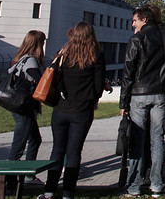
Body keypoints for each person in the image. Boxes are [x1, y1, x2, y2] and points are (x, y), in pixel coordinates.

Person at [120, 4, 165, 197]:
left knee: (137, 141)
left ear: (144, 19)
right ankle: (157, 184)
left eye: (136, 20)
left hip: (139, 94)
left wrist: (123, 102)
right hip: (160, 94)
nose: (133, 24)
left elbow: (128, 73)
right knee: (157, 140)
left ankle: (134, 185)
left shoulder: (137, 39)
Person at [38, 23, 105, 199]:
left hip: (61, 108)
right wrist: (90, 98)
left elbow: (55, 79)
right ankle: (68, 192)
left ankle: (49, 190)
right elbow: (98, 88)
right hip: (82, 110)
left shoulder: (63, 54)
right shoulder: (96, 55)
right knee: (74, 152)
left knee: (57, 150)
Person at [6, 31, 45, 191]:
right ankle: (10, 183)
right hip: (24, 107)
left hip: (17, 106)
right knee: (18, 145)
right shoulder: (31, 61)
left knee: (35, 139)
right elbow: (39, 80)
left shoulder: (20, 59)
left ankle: (29, 174)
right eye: (42, 42)